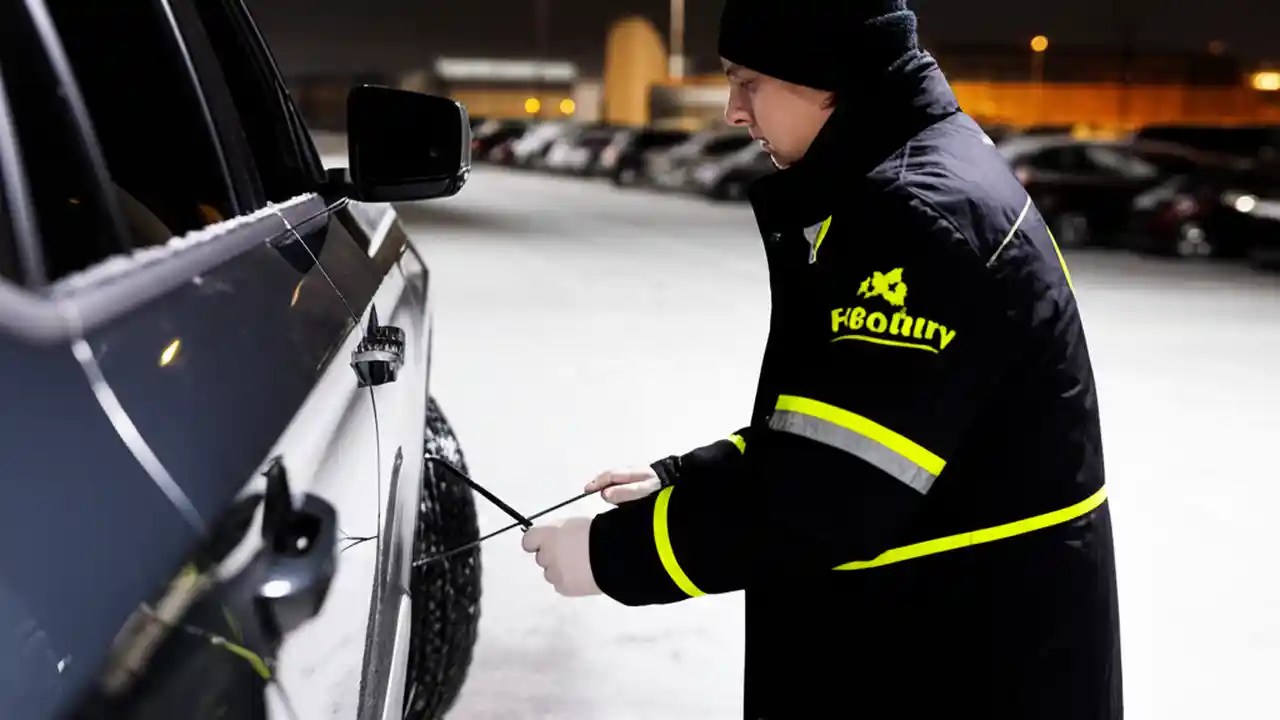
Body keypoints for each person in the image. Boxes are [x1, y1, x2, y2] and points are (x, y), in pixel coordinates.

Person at [521, 1, 1123, 717]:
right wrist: (686, 478)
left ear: (828, 74)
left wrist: (615, 554)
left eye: (749, 82)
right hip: (951, 639)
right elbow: (852, 427)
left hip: (949, 661)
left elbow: (833, 496)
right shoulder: (919, 176)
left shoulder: (914, 215)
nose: (733, 113)